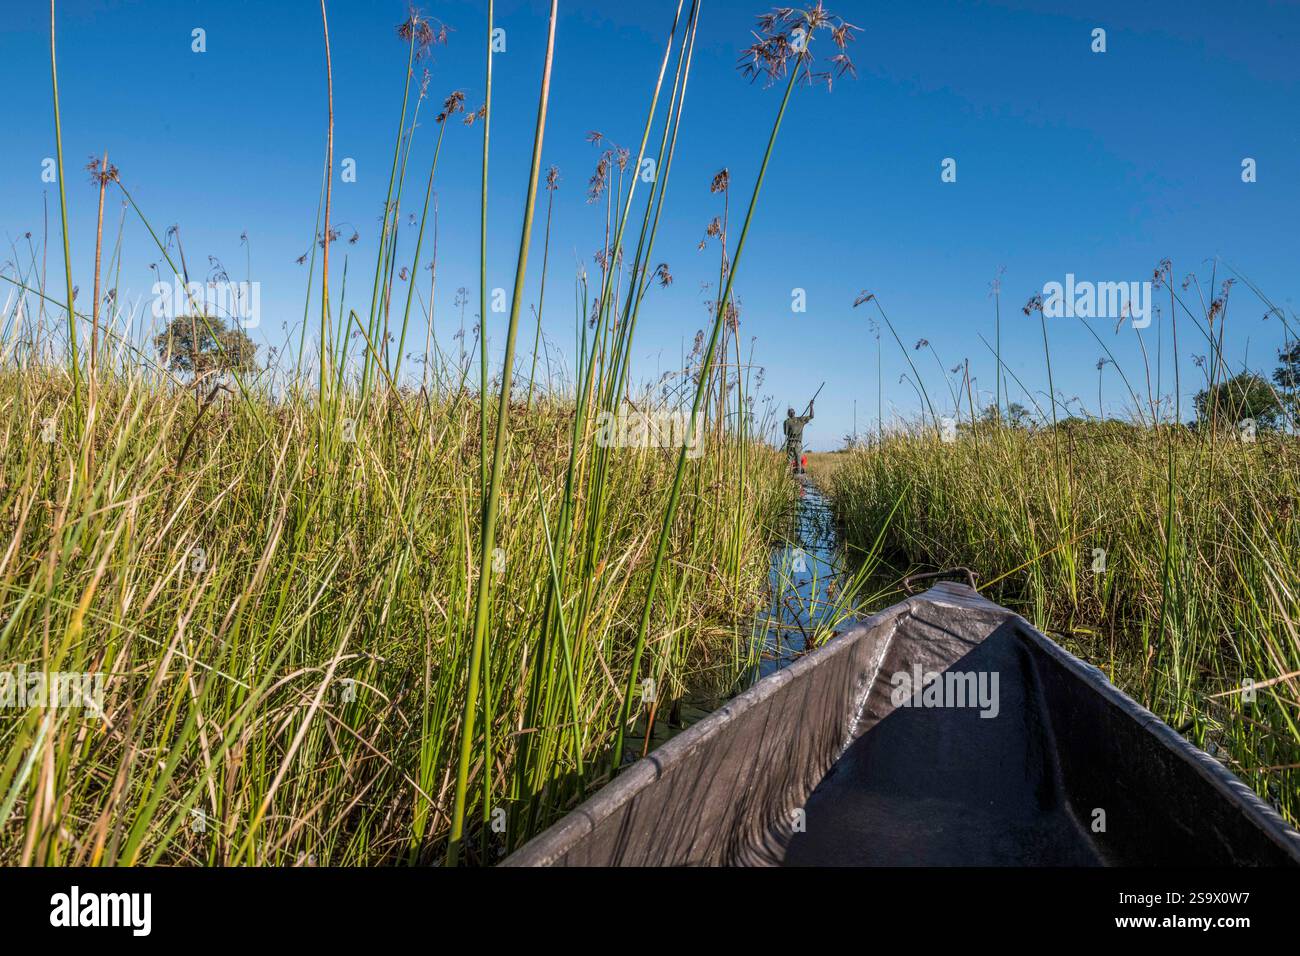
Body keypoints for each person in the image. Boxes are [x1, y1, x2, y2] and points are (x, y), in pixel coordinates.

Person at [783, 402, 813, 474]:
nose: (791, 413)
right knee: (794, 460)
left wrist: (811, 406)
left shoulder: (793, 421)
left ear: (790, 414)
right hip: (794, 443)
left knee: (793, 460)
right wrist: (811, 406)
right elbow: (811, 416)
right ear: (792, 413)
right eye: (791, 412)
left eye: (791, 412)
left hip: (794, 443)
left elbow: (785, 433)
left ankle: (791, 474)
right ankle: (793, 474)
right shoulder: (797, 420)